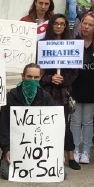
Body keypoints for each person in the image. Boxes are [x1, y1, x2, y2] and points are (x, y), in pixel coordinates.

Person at [0, 63, 71, 179]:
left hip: (41, 149)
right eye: (29, 77)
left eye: (36, 77)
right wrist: (7, 150)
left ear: (40, 78)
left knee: (63, 174)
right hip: (17, 148)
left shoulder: (46, 97)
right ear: (22, 76)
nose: (32, 80)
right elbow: (4, 125)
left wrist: (58, 152)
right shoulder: (11, 97)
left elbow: (55, 127)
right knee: (8, 174)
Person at [38, 14, 80, 170]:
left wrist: (62, 80)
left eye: (62, 24)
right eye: (56, 23)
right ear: (51, 25)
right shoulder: (42, 44)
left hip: (63, 91)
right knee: (45, 124)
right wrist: (49, 78)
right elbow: (36, 70)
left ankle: (70, 156)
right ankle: (49, 154)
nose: (59, 26)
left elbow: (75, 70)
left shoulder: (71, 44)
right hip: (46, 90)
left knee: (64, 124)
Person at [71, 12, 94, 164]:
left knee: (88, 121)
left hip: (93, 88)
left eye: (90, 24)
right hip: (75, 87)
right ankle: (75, 149)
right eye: (84, 23)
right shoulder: (73, 42)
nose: (86, 26)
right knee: (75, 121)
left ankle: (87, 151)